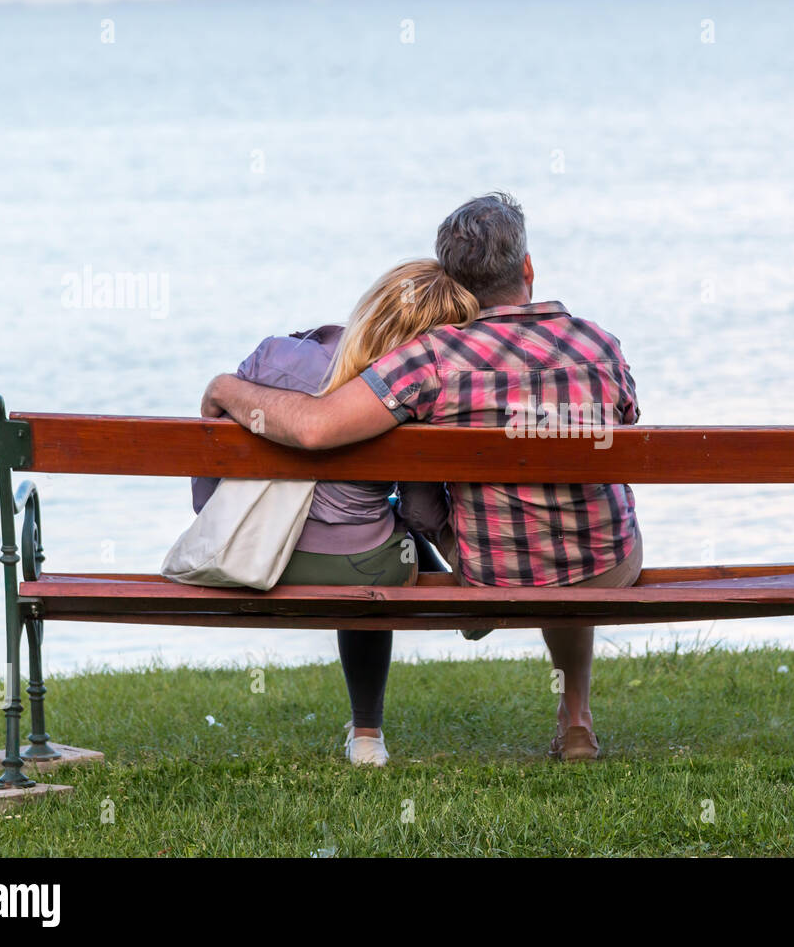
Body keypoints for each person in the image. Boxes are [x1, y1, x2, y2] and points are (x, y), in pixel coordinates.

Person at [201, 193, 641, 762]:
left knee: (514, 523)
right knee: (569, 508)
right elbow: (628, 425)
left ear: (452, 283)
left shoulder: (432, 357)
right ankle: (575, 717)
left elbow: (314, 429)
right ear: (527, 269)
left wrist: (225, 388)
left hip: (496, 574)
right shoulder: (601, 344)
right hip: (607, 566)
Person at [195, 259, 476, 767]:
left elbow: (211, 460)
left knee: (377, 526)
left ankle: (455, 597)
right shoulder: (418, 390)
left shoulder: (273, 358)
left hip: (259, 557)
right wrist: (451, 544)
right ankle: (367, 734)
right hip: (363, 567)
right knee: (386, 533)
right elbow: (420, 508)